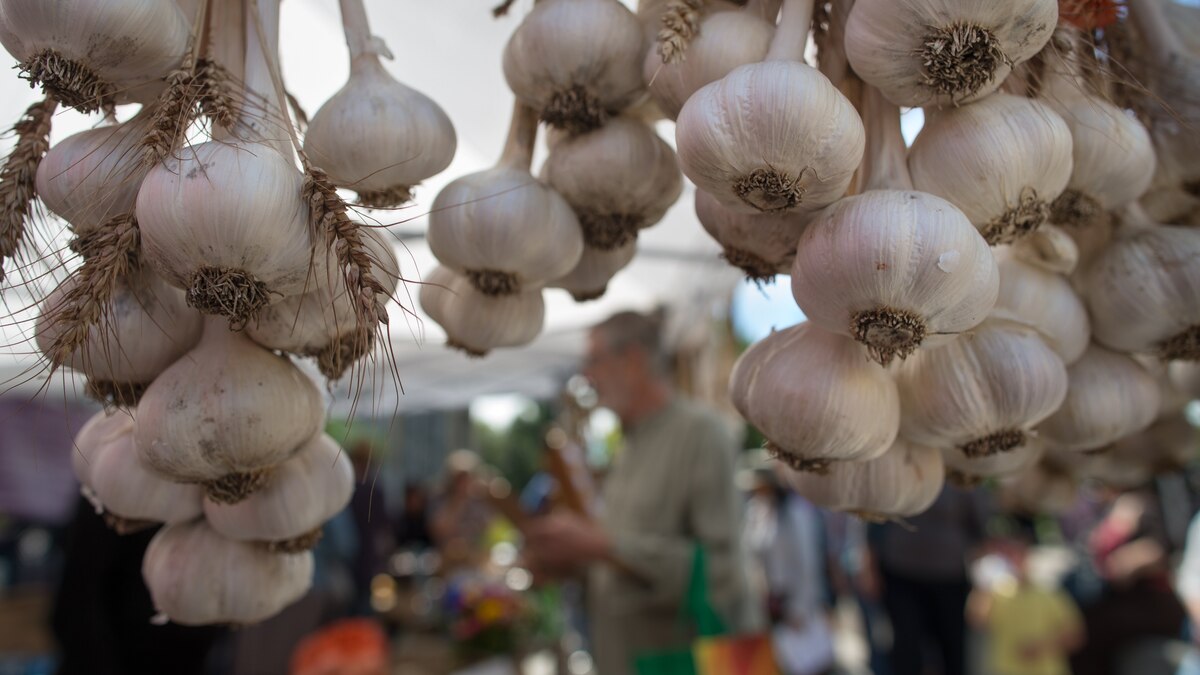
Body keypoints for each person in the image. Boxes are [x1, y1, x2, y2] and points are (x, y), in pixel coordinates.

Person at [523, 310, 756, 675]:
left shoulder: (701, 433)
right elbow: (624, 562)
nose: (587, 376)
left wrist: (601, 547)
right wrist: (570, 562)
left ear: (631, 361)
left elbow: (720, 573)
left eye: (593, 361)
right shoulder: (628, 446)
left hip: (688, 663)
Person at [868, 483, 992, 675]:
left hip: (949, 578)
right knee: (906, 646)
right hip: (901, 574)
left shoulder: (961, 473)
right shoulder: (901, 464)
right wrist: (869, 567)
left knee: (952, 647)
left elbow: (980, 523)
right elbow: (875, 518)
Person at [744, 466, 835, 675]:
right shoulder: (756, 512)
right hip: (770, 604)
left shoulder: (796, 511)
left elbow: (807, 562)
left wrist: (801, 607)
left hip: (794, 601)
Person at [968, 532, 1084, 675]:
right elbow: (977, 621)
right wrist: (983, 580)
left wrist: (1042, 647)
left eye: (1019, 553)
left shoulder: (1050, 593)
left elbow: (1075, 636)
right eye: (1009, 554)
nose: (1016, 559)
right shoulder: (995, 592)